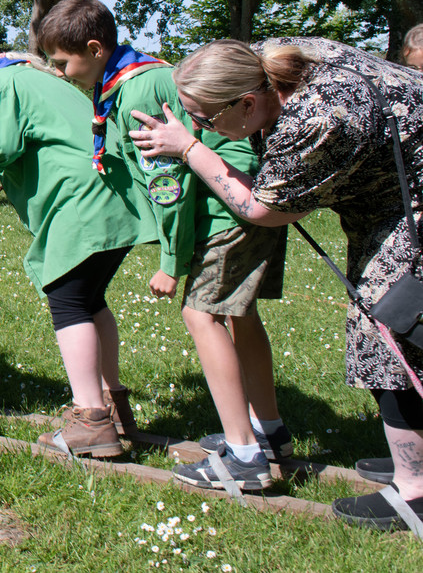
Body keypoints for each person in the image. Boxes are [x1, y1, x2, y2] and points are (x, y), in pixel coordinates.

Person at [132, 37, 423, 531]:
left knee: (389, 329)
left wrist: (190, 148)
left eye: (204, 118)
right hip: (388, 197)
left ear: (246, 103)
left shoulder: (321, 117)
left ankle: (416, 492)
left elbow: (263, 210)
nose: (199, 127)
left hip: (408, 204)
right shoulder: (267, 58)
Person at [38, 0, 290, 491]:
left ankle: (245, 456)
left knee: (204, 317)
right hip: (247, 195)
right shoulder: (145, 74)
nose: (60, 72)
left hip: (222, 213)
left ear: (93, 49)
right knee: (240, 316)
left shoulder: (134, 95)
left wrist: (170, 262)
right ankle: (269, 432)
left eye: (64, 62)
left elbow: (168, 189)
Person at [0, 49, 152, 457]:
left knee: (68, 303)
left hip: (80, 201)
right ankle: (114, 403)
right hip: (114, 196)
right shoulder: (40, 78)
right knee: (90, 300)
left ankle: (92, 421)